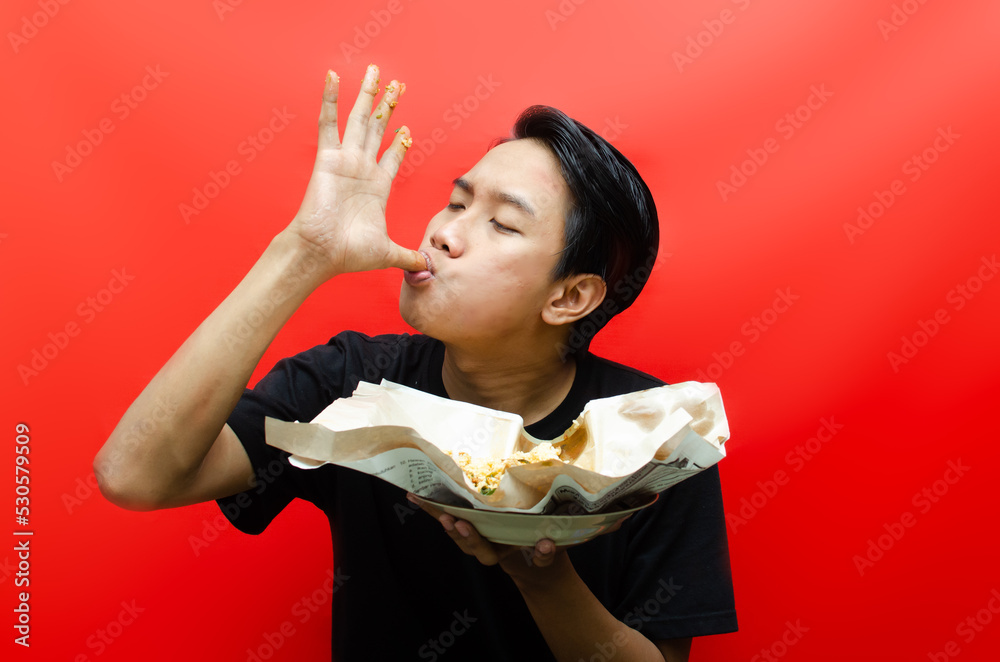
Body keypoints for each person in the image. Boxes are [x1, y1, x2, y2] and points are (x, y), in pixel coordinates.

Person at [95, 63, 737, 661]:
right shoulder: (353, 384)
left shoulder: (658, 440)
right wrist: (304, 251)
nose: (443, 233)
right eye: (457, 203)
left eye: (502, 224)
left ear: (569, 297)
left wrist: (540, 576)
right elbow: (134, 476)